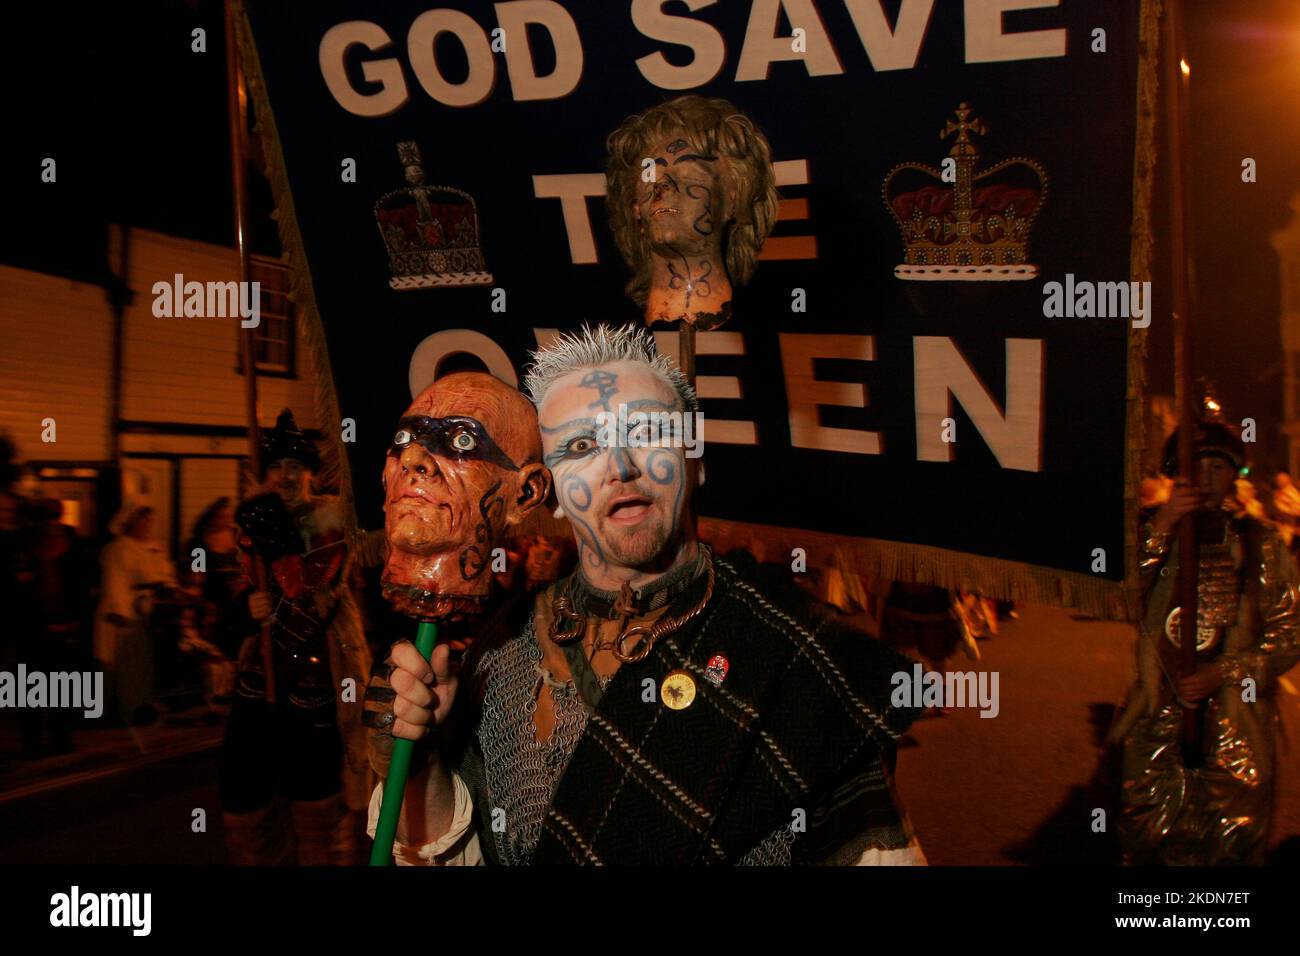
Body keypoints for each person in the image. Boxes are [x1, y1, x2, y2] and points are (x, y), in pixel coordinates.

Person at [366, 324, 925, 865]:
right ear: (547, 492)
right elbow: (463, 853)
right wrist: (418, 768)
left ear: (696, 460)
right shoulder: (502, 649)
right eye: (583, 444)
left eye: (650, 434)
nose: (622, 467)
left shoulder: (800, 659)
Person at [1110, 417, 1300, 864]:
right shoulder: (1150, 534)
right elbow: (1119, 600)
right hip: (1158, 709)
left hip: (1238, 718)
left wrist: (1226, 671)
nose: (1208, 479)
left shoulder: (1263, 544)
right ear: (1178, 474)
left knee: (1233, 837)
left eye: (1218, 467)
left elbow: (1289, 632)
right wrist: (1166, 523)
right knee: (1147, 831)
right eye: (1197, 468)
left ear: (1235, 474)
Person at [218, 409, 374, 865]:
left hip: (318, 689)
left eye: (295, 467)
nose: (286, 476)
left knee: (320, 818)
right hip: (258, 693)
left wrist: (279, 540)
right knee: (248, 806)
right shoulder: (251, 525)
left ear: (309, 475)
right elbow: (230, 624)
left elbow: (310, 587)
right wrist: (246, 611)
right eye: (277, 467)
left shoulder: (331, 524)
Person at [93, 503, 177, 724]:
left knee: (143, 662)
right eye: (142, 520)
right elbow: (115, 582)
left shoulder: (154, 547)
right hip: (124, 612)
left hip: (147, 610)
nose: (147, 525)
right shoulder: (118, 548)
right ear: (130, 520)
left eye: (150, 520)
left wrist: (168, 586)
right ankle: (118, 709)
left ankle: (140, 705)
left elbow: (164, 572)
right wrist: (120, 611)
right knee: (121, 662)